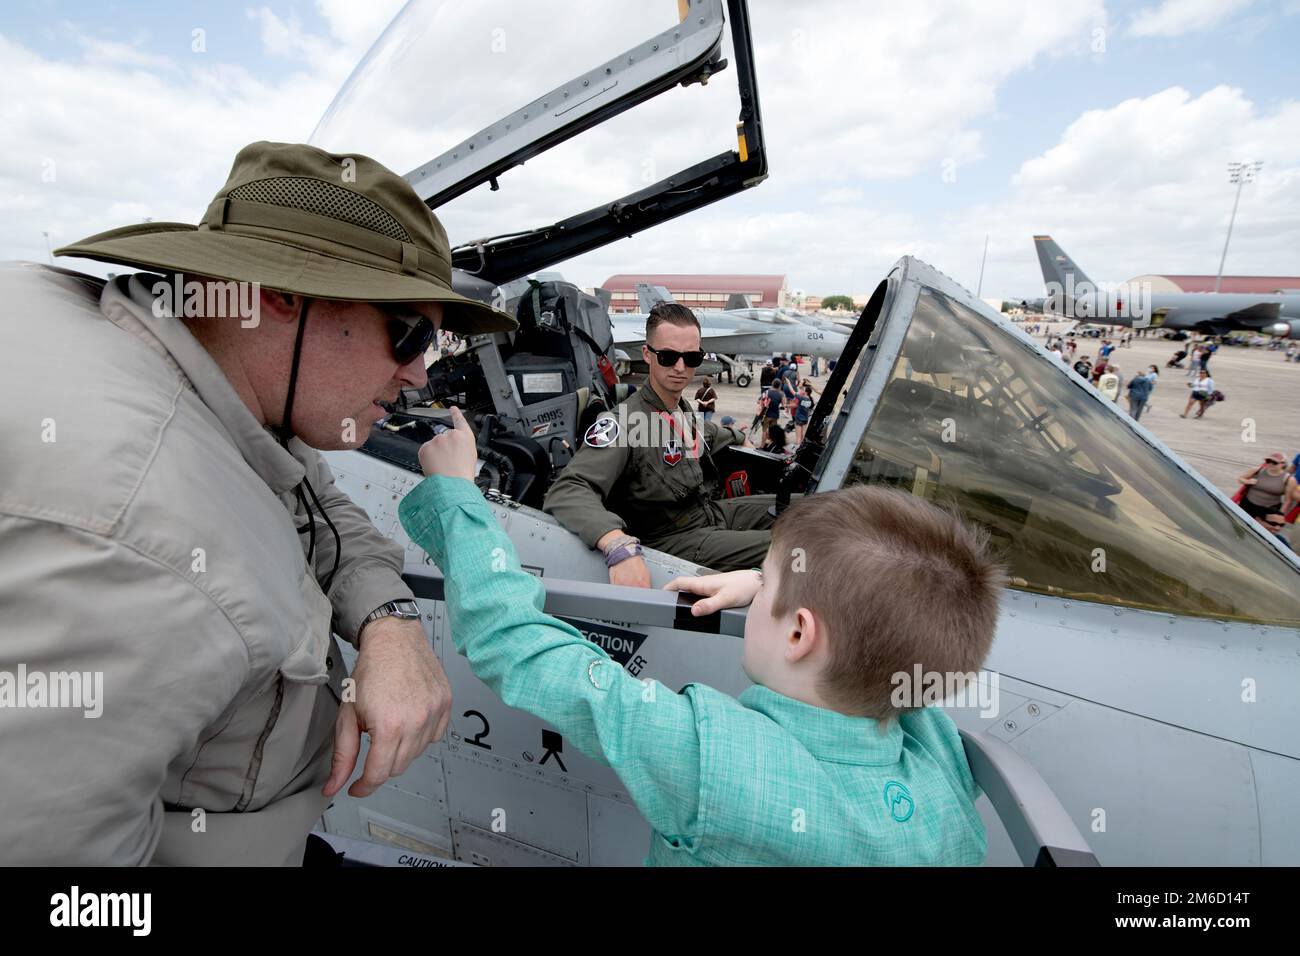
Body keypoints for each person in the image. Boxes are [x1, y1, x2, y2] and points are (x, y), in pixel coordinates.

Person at [0, 141, 518, 864]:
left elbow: (314, 502)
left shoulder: (190, 368)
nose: (416, 376)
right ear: (284, 294)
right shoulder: (138, 549)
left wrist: (389, 624)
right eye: (409, 334)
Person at [400, 439, 1003, 865]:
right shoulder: (936, 760)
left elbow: (513, 642)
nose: (753, 586)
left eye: (761, 580)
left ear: (799, 635)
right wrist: (770, 591)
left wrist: (456, 495)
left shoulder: (709, 762)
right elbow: (896, 645)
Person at [543, 303, 776, 584]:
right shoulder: (625, 423)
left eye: (691, 358)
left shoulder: (680, 409)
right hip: (673, 538)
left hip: (707, 513)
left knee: (802, 512)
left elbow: (706, 433)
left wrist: (742, 438)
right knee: (794, 549)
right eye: (668, 357)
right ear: (647, 355)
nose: (680, 367)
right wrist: (617, 544)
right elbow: (568, 489)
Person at [1234, 454, 1296, 521]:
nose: (1271, 464)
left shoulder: (1289, 479)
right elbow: (1240, 478)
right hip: (1247, 505)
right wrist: (1247, 481)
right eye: (1268, 461)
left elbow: (1287, 501)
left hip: (1269, 510)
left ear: (1283, 464)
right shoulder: (1257, 470)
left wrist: (1279, 516)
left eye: (1275, 462)